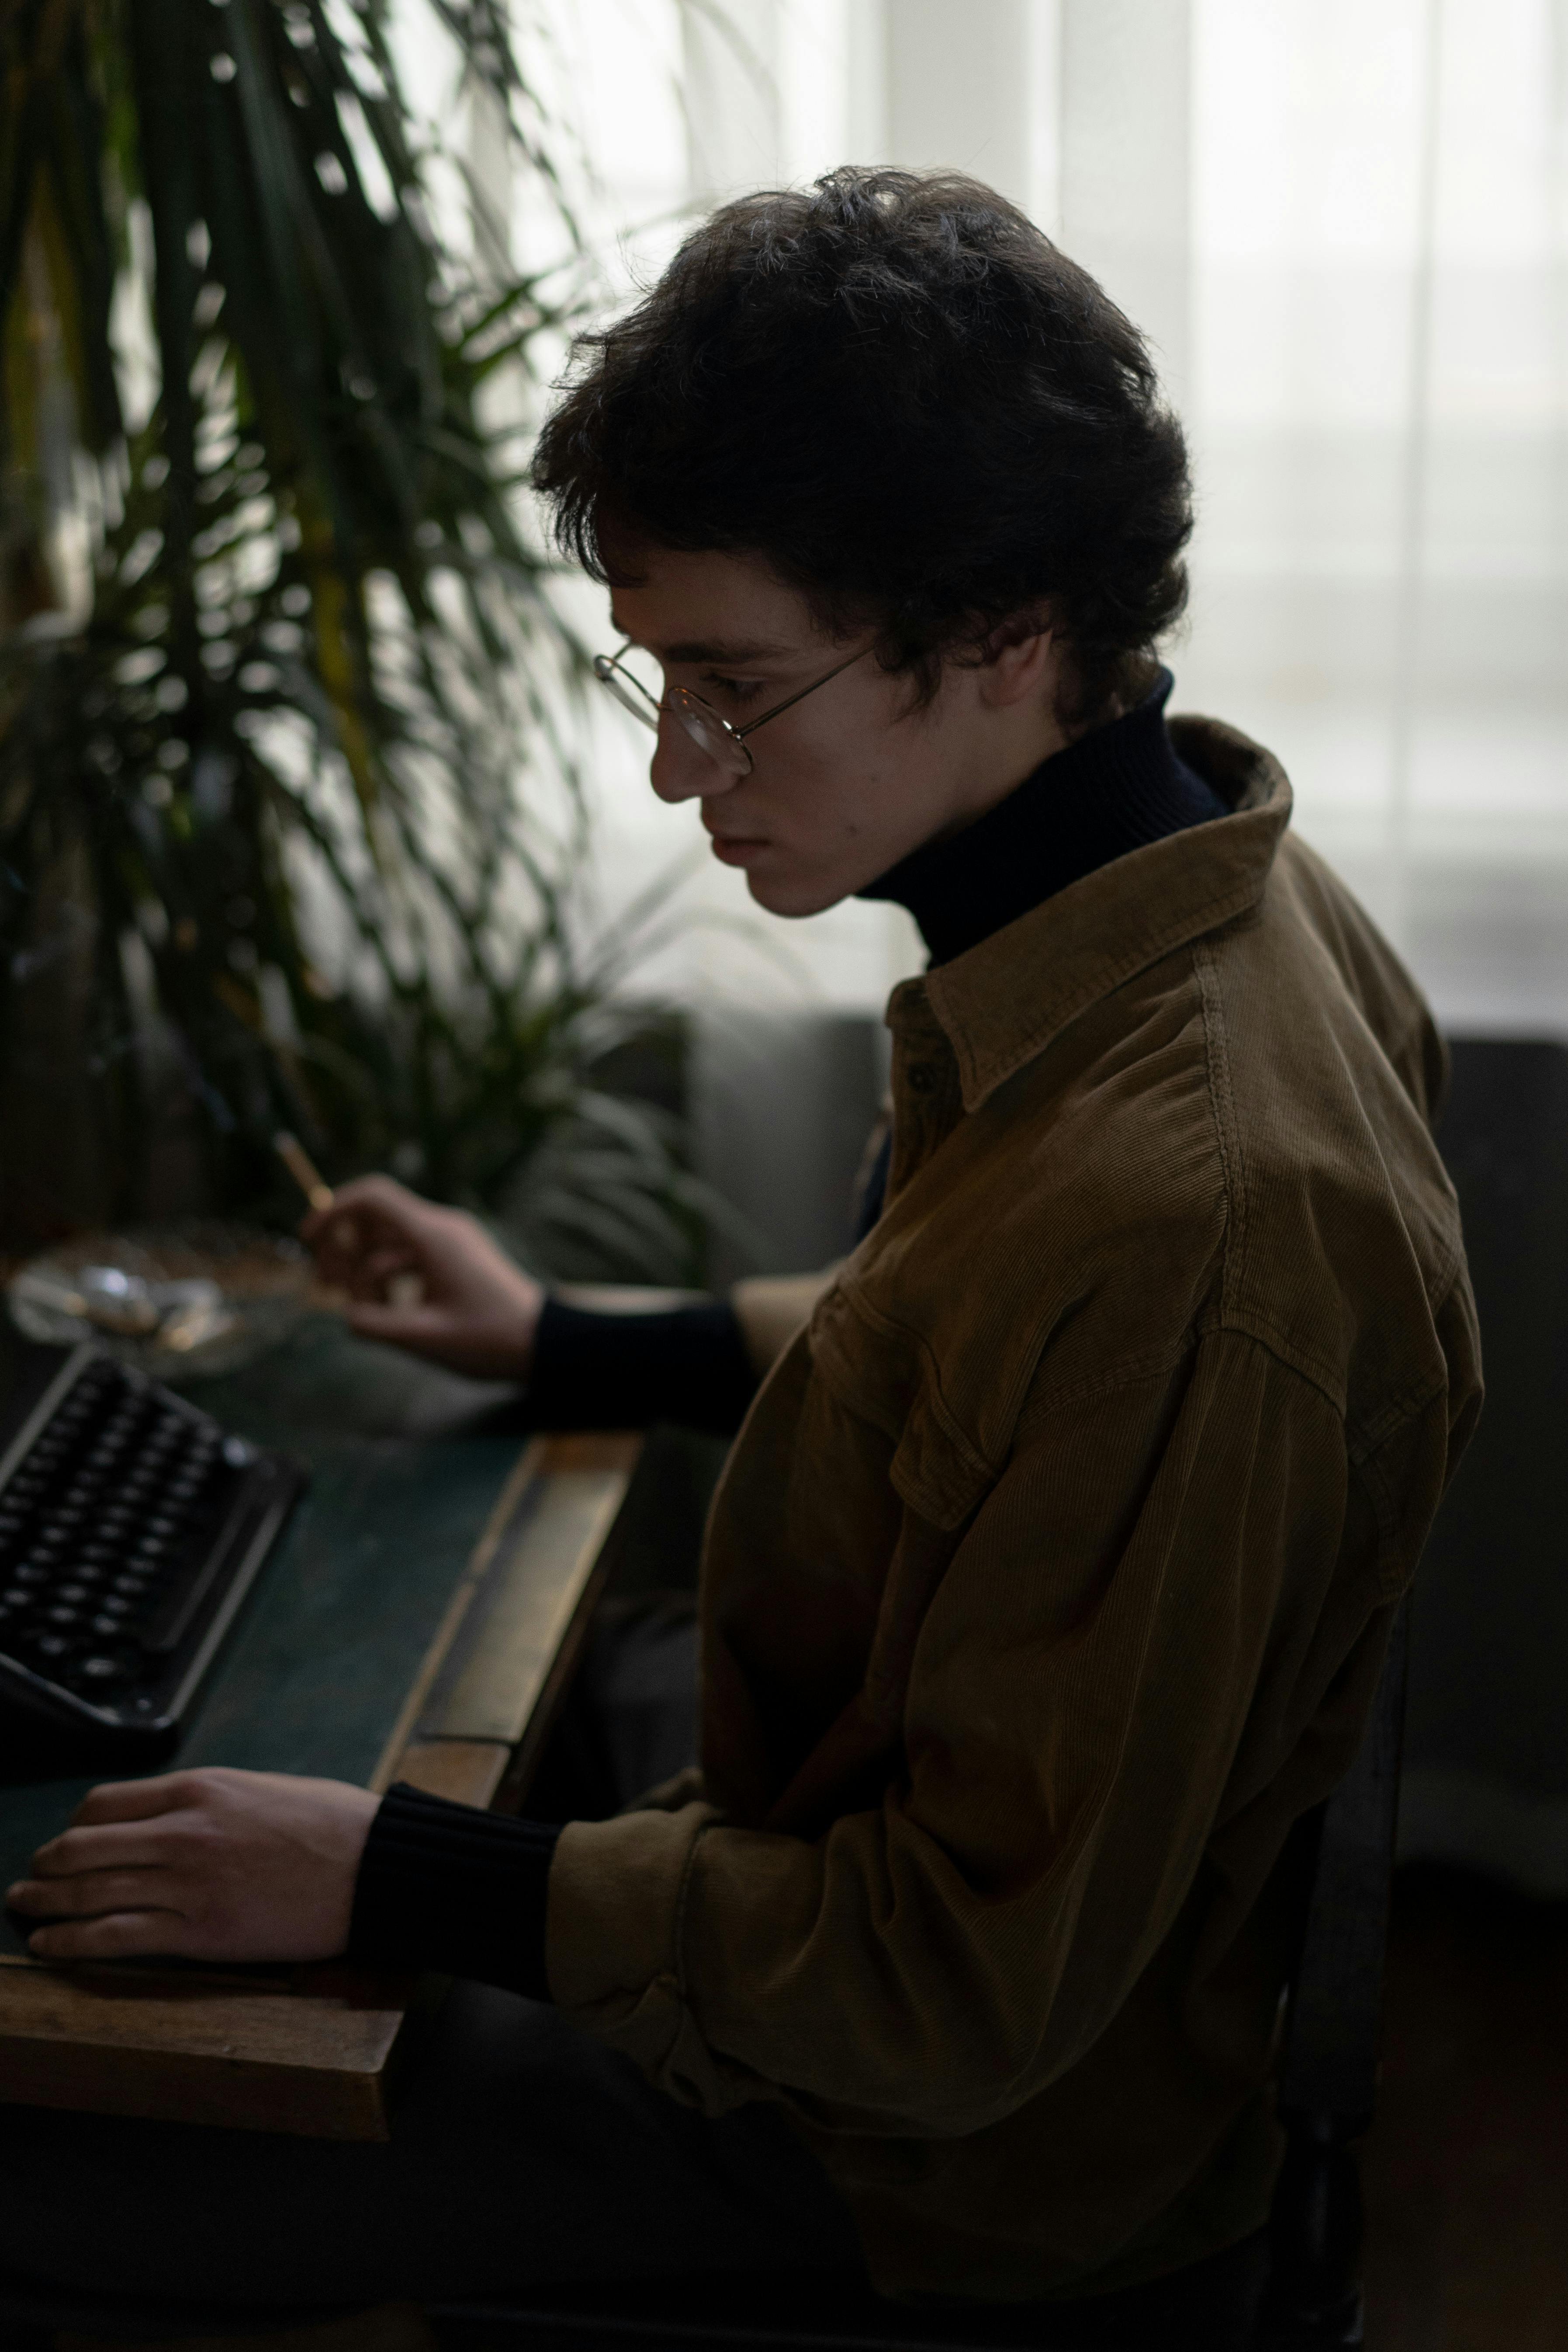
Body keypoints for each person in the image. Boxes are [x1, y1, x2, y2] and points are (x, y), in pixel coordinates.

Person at [2, 170, 1480, 2343]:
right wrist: (570, 1330)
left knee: (62, 2136)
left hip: (924, 2155)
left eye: (737, 684)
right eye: (659, 681)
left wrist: (390, 1870)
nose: (687, 768)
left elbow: (958, 1990)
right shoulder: (1191, 887)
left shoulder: (1205, 1217)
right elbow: (983, 1358)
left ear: (1000, 631)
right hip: (890, 1924)